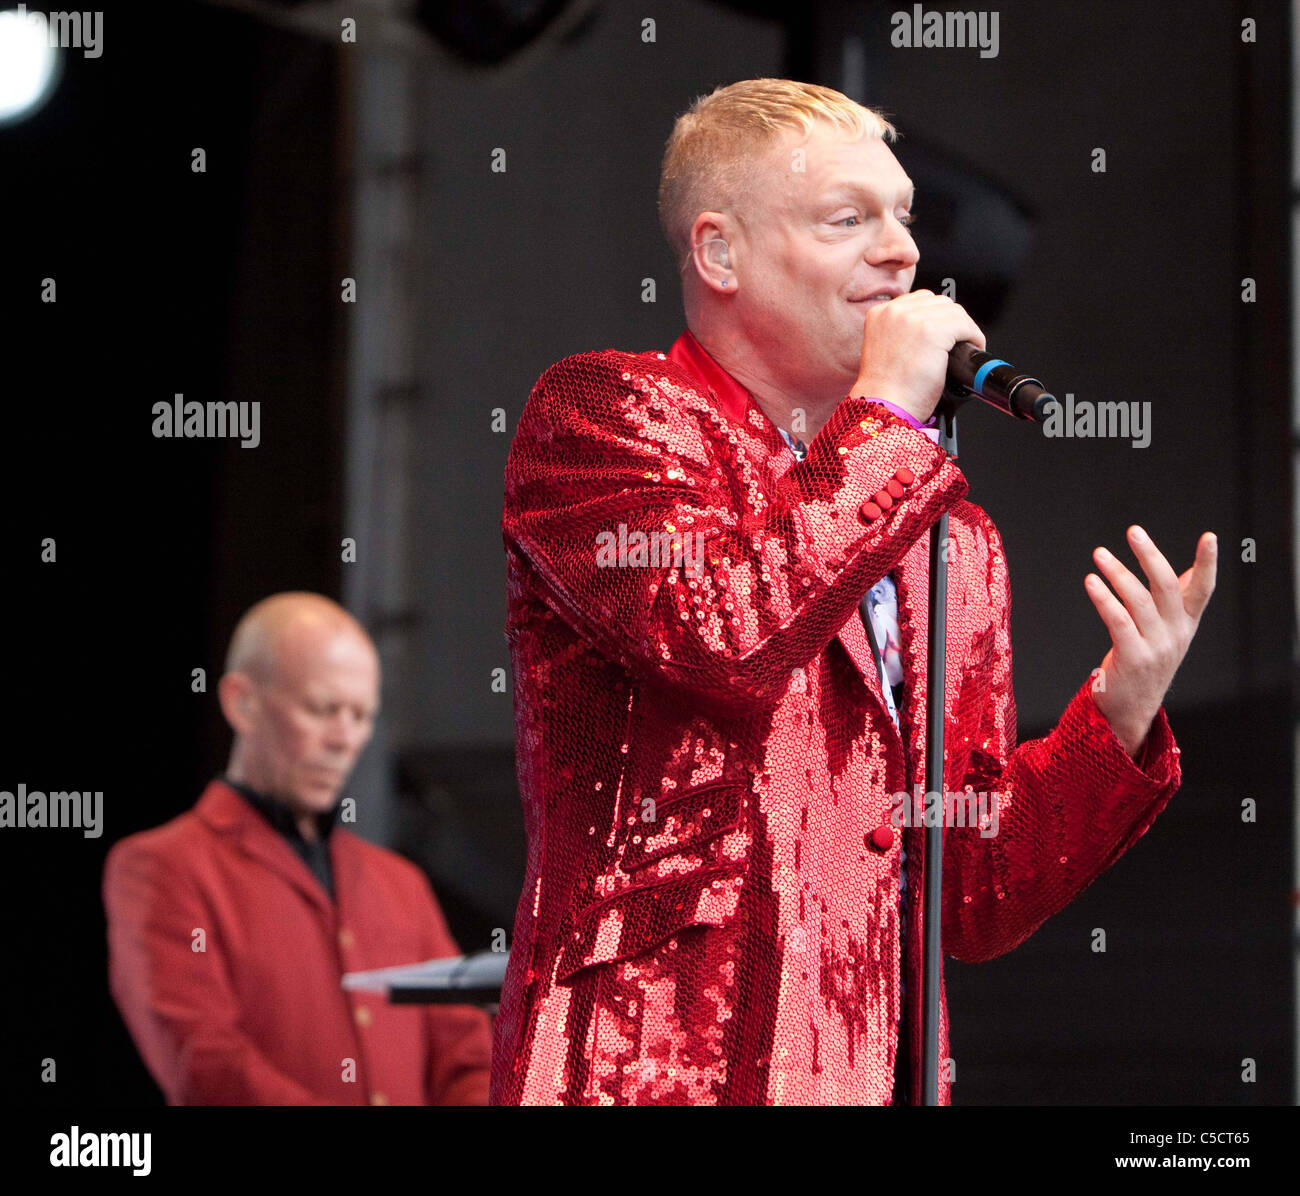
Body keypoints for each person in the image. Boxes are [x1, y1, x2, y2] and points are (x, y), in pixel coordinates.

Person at [492, 79, 1216, 1106]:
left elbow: (971, 891)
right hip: (651, 1070)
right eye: (849, 219)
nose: (901, 252)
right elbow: (721, 635)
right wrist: (885, 415)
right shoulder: (604, 417)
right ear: (719, 253)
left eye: (904, 218)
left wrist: (1118, 712)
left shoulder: (945, 534)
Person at [103, 592, 492, 1105]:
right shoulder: (162, 866)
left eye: (361, 716)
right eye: (322, 709)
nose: (345, 738)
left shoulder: (401, 883)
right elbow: (204, 1063)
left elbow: (469, 1057)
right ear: (242, 702)